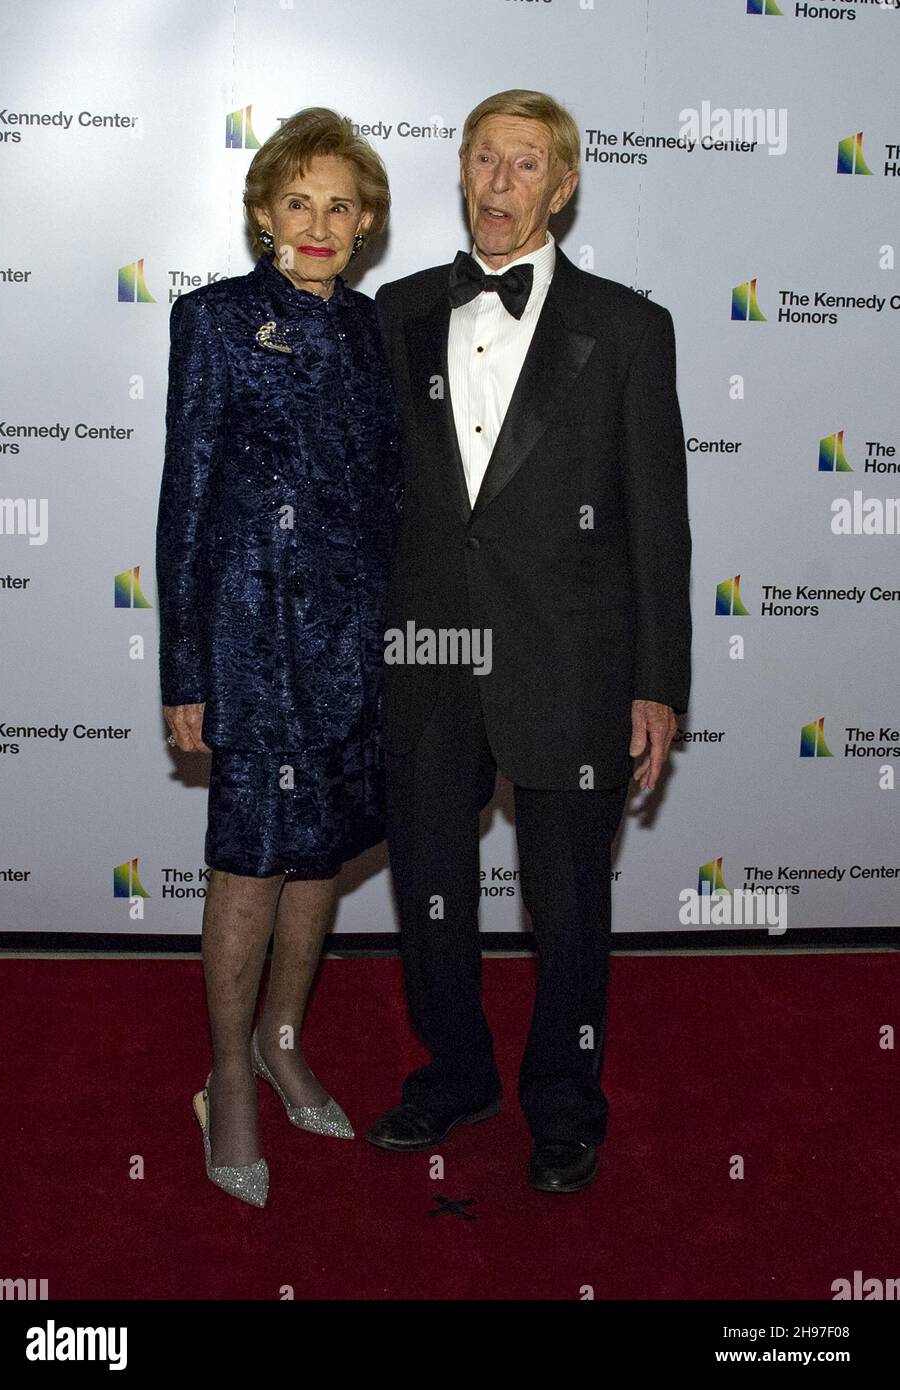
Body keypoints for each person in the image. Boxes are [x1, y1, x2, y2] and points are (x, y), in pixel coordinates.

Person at [367, 90, 691, 1193]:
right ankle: (454, 1072)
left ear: (562, 188)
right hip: (426, 658)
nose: (500, 186)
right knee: (433, 886)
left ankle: (566, 1099)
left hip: (572, 657)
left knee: (569, 899)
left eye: (526, 166)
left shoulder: (630, 329)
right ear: (461, 174)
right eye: (483, 163)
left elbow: (659, 519)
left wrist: (659, 682)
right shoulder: (395, 312)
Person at [156, 107, 400, 1207]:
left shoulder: (374, 335)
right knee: (251, 860)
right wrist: (186, 670)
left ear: (364, 227)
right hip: (252, 641)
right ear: (264, 215)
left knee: (322, 855)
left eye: (339, 205)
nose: (317, 222)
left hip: (352, 642)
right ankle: (229, 1076)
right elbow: (186, 501)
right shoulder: (212, 322)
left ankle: (284, 1039)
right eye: (297, 201)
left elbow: (394, 502)